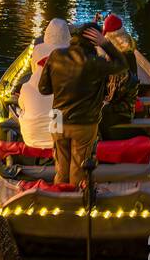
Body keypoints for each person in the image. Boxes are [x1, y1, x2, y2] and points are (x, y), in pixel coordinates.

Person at [37, 21, 132, 186]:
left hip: (57, 117)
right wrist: (106, 43)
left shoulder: (55, 55)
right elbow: (123, 65)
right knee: (78, 167)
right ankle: (73, 200)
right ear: (95, 41)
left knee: (60, 162)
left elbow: (44, 89)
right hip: (84, 121)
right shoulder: (96, 63)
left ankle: (58, 194)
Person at [17, 19, 70, 149]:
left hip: (30, 139)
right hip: (59, 140)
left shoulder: (26, 87)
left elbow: (21, 106)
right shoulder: (67, 86)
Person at [97, 14, 141, 141]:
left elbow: (116, 89)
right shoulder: (127, 51)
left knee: (97, 113)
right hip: (124, 98)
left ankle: (104, 144)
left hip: (122, 106)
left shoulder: (116, 59)